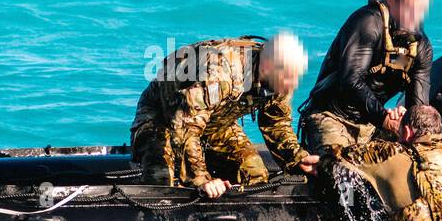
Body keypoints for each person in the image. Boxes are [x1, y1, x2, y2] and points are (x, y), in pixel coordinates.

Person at [130, 32, 320, 198]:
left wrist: (296, 157)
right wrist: (201, 179)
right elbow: (186, 127)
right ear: (267, 66)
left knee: (254, 171)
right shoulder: (219, 71)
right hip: (162, 119)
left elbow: (276, 122)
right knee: (162, 179)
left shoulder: (279, 79)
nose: (292, 85)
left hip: (215, 123)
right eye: (289, 77)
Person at [299, 0, 433, 156]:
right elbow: (350, 80)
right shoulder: (367, 23)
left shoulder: (421, 47)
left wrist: (404, 117)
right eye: (407, 6)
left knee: (420, 155)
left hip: (372, 124)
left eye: (419, 9)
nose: (413, 15)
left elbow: (419, 108)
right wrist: (384, 117)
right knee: (338, 172)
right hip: (332, 117)